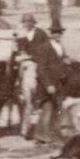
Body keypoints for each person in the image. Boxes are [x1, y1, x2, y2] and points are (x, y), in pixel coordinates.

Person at [21, 12, 65, 143]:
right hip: (48, 83)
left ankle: (51, 134)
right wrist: (48, 84)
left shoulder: (60, 47)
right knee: (47, 108)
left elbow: (60, 62)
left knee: (56, 108)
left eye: (59, 32)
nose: (57, 34)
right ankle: (41, 136)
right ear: (51, 34)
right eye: (55, 32)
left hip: (57, 82)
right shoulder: (45, 47)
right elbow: (41, 68)